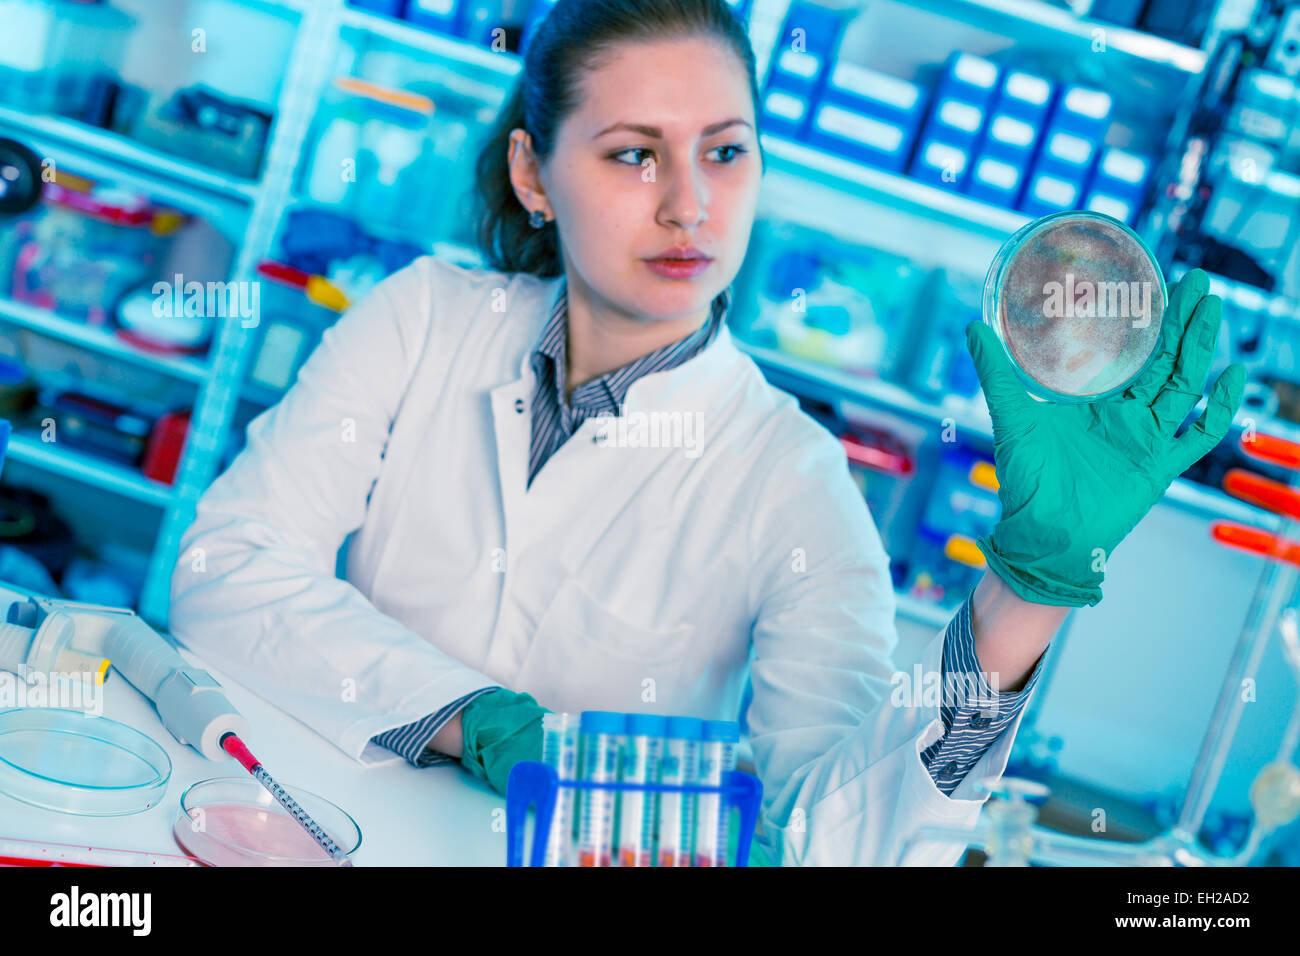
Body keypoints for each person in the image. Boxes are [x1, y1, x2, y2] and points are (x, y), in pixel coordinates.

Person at [168, 0, 1244, 865]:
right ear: (535, 175)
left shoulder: (796, 481)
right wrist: (472, 715)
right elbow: (226, 571)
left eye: (724, 152)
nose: (689, 205)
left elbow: (834, 841)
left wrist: (1026, 595)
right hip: (298, 829)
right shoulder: (421, 317)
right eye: (634, 155)